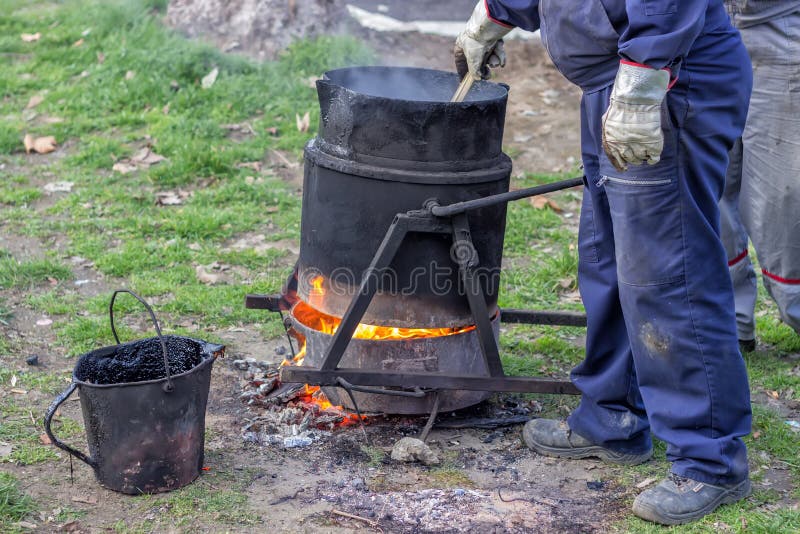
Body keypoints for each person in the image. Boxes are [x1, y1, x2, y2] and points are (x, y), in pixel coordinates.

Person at [455, 0, 753, 525]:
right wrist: (494, 13)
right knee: (608, 260)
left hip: (665, 80)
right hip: (615, 83)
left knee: (667, 274)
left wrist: (643, 80)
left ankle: (710, 458)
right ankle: (612, 416)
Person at [719, 1, 800, 352]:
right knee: (710, 186)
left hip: (779, 26)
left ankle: (795, 307)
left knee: (781, 197)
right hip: (703, 27)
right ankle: (727, 322)